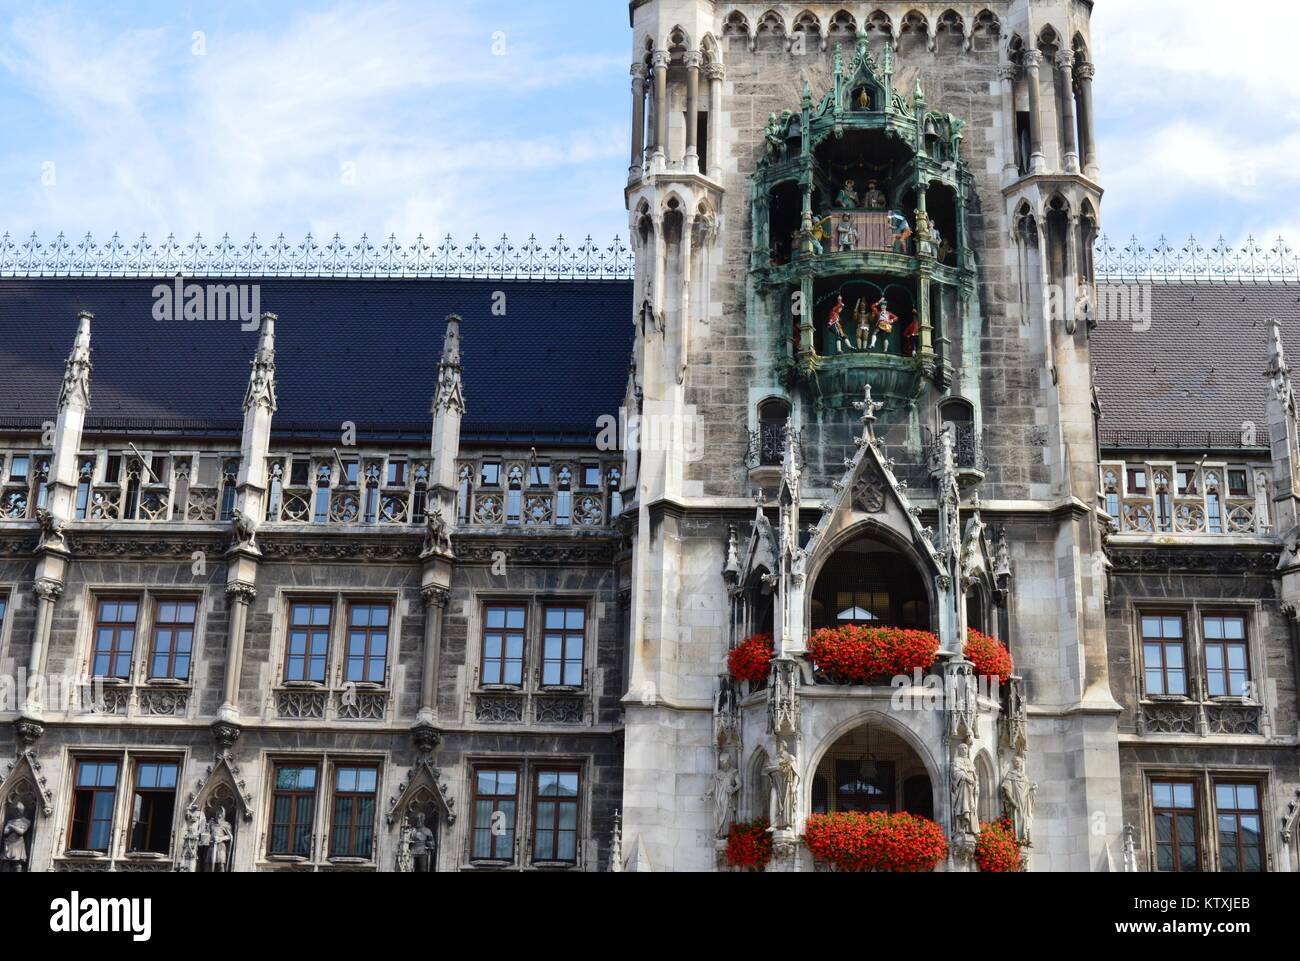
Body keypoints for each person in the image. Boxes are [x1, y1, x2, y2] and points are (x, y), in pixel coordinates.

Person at [2, 802, 31, 872]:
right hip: (9, 843)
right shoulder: (10, 821)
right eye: (16, 810)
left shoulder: (26, 821)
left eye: (18, 810)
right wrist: (15, 828)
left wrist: (12, 826)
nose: (17, 812)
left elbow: (21, 832)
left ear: (22, 811)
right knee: (6, 862)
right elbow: (5, 832)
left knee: (17, 863)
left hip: (18, 844)